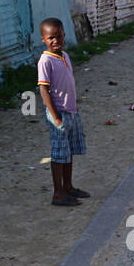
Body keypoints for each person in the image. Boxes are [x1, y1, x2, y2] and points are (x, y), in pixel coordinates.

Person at [36, 18, 90, 207]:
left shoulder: (65, 55)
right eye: (51, 38)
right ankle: (58, 193)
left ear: (64, 36)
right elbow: (44, 90)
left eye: (59, 36)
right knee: (59, 154)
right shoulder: (45, 61)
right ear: (43, 39)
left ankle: (68, 186)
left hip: (71, 111)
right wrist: (56, 117)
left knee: (69, 152)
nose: (56, 41)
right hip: (58, 114)